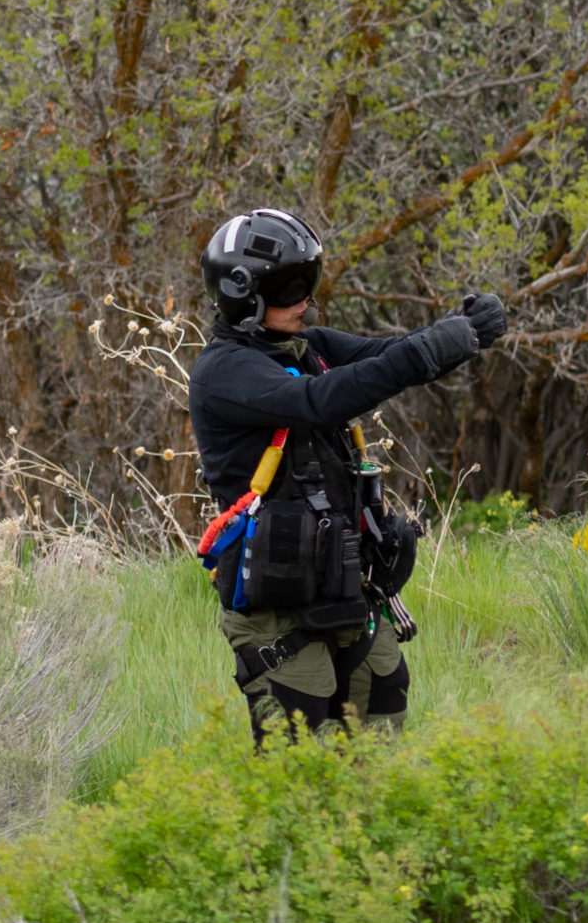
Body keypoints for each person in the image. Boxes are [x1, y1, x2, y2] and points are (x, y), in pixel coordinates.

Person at [187, 207, 506, 744]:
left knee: (382, 703)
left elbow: (385, 357)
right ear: (244, 294)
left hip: (343, 581)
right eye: (290, 287)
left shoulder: (309, 348)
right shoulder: (224, 372)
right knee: (299, 743)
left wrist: (465, 332)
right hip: (276, 602)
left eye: (307, 281)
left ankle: (374, 825)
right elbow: (317, 402)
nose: (305, 300)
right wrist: (431, 347)